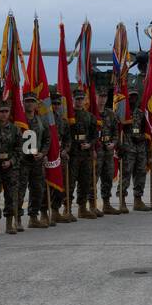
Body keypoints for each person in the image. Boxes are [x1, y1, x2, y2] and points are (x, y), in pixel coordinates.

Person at [0, 100, 23, 234]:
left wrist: (11, 161)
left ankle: (9, 224)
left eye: (6, 111)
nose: (4, 114)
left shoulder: (15, 129)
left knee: (11, 196)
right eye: (1, 111)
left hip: (10, 168)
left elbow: (19, 149)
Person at [21, 93, 51, 228]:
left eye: (32, 101)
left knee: (37, 189)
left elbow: (47, 139)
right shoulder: (19, 120)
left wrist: (43, 153)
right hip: (22, 162)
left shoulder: (41, 121)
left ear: (36, 104)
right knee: (19, 191)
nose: (29, 104)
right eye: (27, 101)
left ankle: (33, 217)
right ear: (23, 103)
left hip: (37, 161)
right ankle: (16, 219)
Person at [69, 89, 99, 219]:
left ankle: (82, 208)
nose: (79, 101)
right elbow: (65, 135)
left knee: (85, 182)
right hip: (73, 154)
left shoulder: (90, 116)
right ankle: (67, 209)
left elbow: (94, 135)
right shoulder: (69, 116)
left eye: (81, 99)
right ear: (73, 99)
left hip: (85, 154)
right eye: (77, 99)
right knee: (70, 182)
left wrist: (90, 145)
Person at [48, 91, 75, 224]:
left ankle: (56, 211)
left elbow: (67, 139)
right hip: (48, 157)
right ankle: (44, 214)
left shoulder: (63, 121)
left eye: (58, 103)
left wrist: (66, 150)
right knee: (47, 185)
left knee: (61, 184)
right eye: (54, 103)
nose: (56, 106)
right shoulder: (45, 119)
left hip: (61, 157)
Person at [119, 98, 150, 212]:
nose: (133, 100)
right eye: (131, 96)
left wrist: (142, 138)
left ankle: (138, 200)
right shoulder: (123, 112)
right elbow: (118, 129)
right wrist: (120, 146)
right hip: (128, 148)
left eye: (135, 96)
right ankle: (122, 201)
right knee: (126, 174)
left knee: (141, 173)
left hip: (140, 148)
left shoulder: (140, 113)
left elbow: (146, 129)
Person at [96, 92, 119, 215]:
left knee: (108, 177)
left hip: (108, 151)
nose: (102, 99)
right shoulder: (92, 112)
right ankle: (92, 205)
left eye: (105, 96)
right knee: (93, 179)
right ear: (95, 96)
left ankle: (106, 204)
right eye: (100, 96)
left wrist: (114, 143)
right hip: (96, 151)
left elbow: (116, 131)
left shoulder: (111, 114)